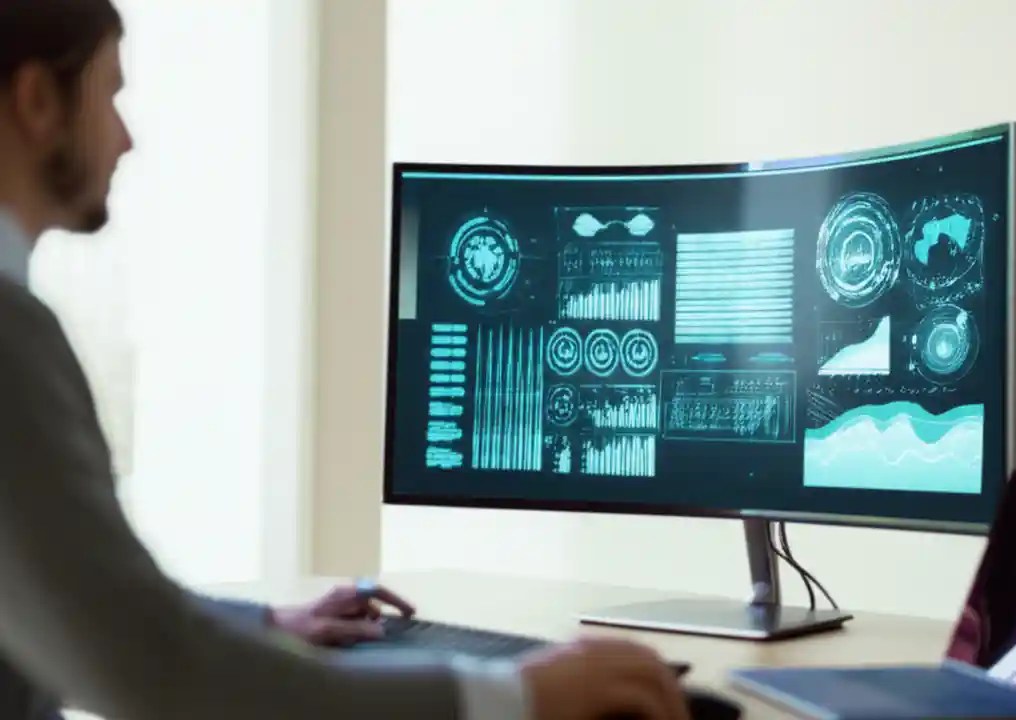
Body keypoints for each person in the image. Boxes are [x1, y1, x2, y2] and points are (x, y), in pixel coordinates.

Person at [0, 1, 690, 719]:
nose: (125, 138)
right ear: (38, 101)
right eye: (110, 94)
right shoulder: (10, 335)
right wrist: (521, 696)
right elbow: (161, 676)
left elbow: (87, 605)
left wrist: (267, 625)